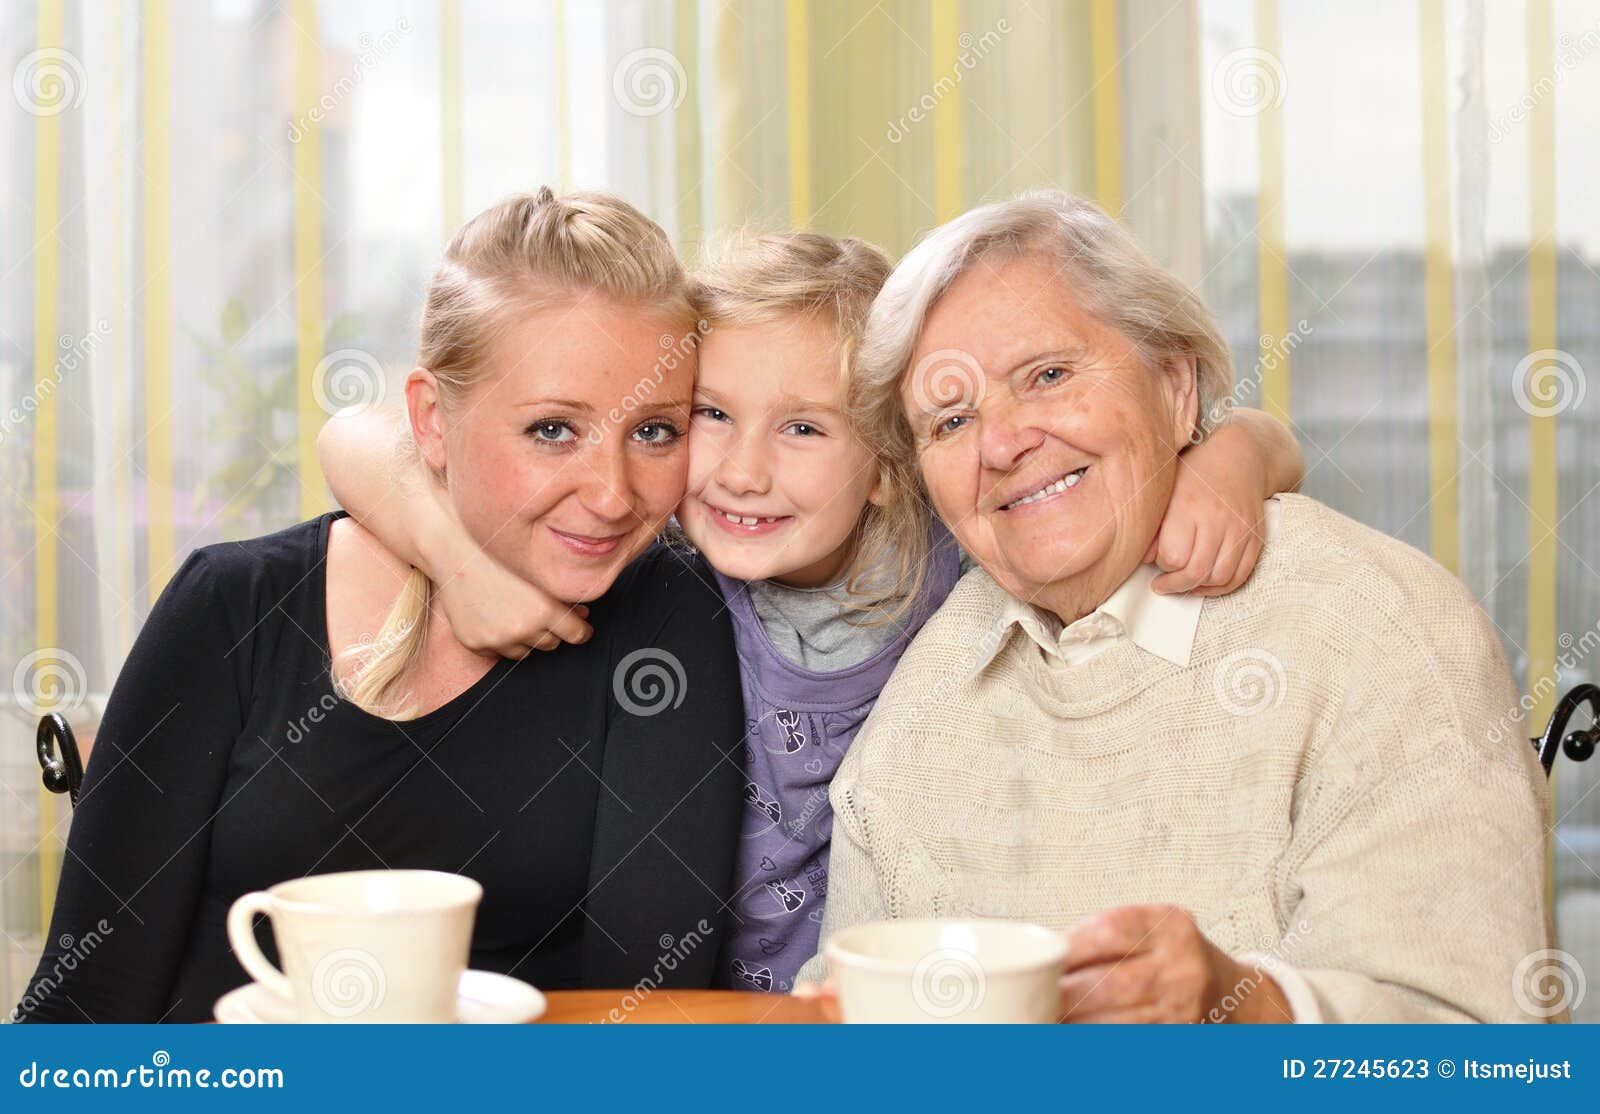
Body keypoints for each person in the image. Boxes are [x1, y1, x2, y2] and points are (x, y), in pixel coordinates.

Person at [319, 228, 1304, 994]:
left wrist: (1230, 461)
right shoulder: (655, 550)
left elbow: (1234, 432)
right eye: (710, 416)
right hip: (687, 1014)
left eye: (801, 426)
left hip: (872, 1014)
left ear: (887, 463)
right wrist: (456, 558)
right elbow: (355, 437)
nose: (743, 471)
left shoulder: (958, 558)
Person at [795, 189, 1553, 1023]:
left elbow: (1490, 1058)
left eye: (1047, 376)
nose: (1002, 445)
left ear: (1176, 386)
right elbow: (840, 1025)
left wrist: (1247, 1009)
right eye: (951, 421)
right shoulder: (921, 701)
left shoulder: (1382, 631)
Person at [13, 189, 745, 1023]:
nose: (614, 496)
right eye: (552, 430)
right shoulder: (233, 607)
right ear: (430, 420)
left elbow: (645, 1021)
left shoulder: (667, 626)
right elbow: (80, 1010)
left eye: (654, 431)